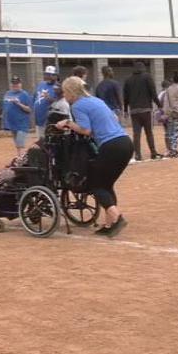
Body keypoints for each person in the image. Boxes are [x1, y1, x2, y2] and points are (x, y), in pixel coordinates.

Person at [58, 76, 134, 237]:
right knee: (107, 184)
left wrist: (67, 123)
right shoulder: (96, 100)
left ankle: (117, 217)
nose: (64, 95)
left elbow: (86, 130)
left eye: (65, 92)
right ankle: (108, 224)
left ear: (71, 92)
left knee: (96, 185)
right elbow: (113, 117)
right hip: (125, 143)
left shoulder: (78, 105)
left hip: (111, 146)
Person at [123, 61, 161, 161]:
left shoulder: (128, 80)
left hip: (134, 111)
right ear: (143, 68)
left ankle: (138, 155)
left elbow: (125, 97)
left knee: (136, 134)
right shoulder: (147, 77)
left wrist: (125, 109)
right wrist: (159, 106)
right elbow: (153, 93)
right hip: (146, 110)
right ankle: (153, 152)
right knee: (149, 132)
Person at [2, 76, 34, 159]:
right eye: (13, 83)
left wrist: (19, 104)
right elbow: (6, 107)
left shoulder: (24, 94)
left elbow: (29, 109)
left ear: (21, 84)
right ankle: (20, 157)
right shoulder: (8, 93)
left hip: (22, 123)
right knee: (17, 143)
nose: (15, 85)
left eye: (17, 83)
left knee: (20, 143)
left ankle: (21, 158)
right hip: (12, 123)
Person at [162, 73, 178, 158]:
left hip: (169, 112)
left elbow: (166, 101)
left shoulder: (168, 89)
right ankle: (173, 150)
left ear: (172, 80)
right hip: (177, 112)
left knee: (169, 132)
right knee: (175, 132)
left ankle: (170, 150)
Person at [32, 66, 62, 133]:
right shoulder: (41, 84)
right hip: (39, 120)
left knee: (48, 141)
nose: (48, 77)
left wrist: (49, 98)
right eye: (46, 74)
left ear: (56, 76)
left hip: (50, 121)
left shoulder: (58, 87)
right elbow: (35, 99)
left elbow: (61, 103)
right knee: (40, 140)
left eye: (50, 75)